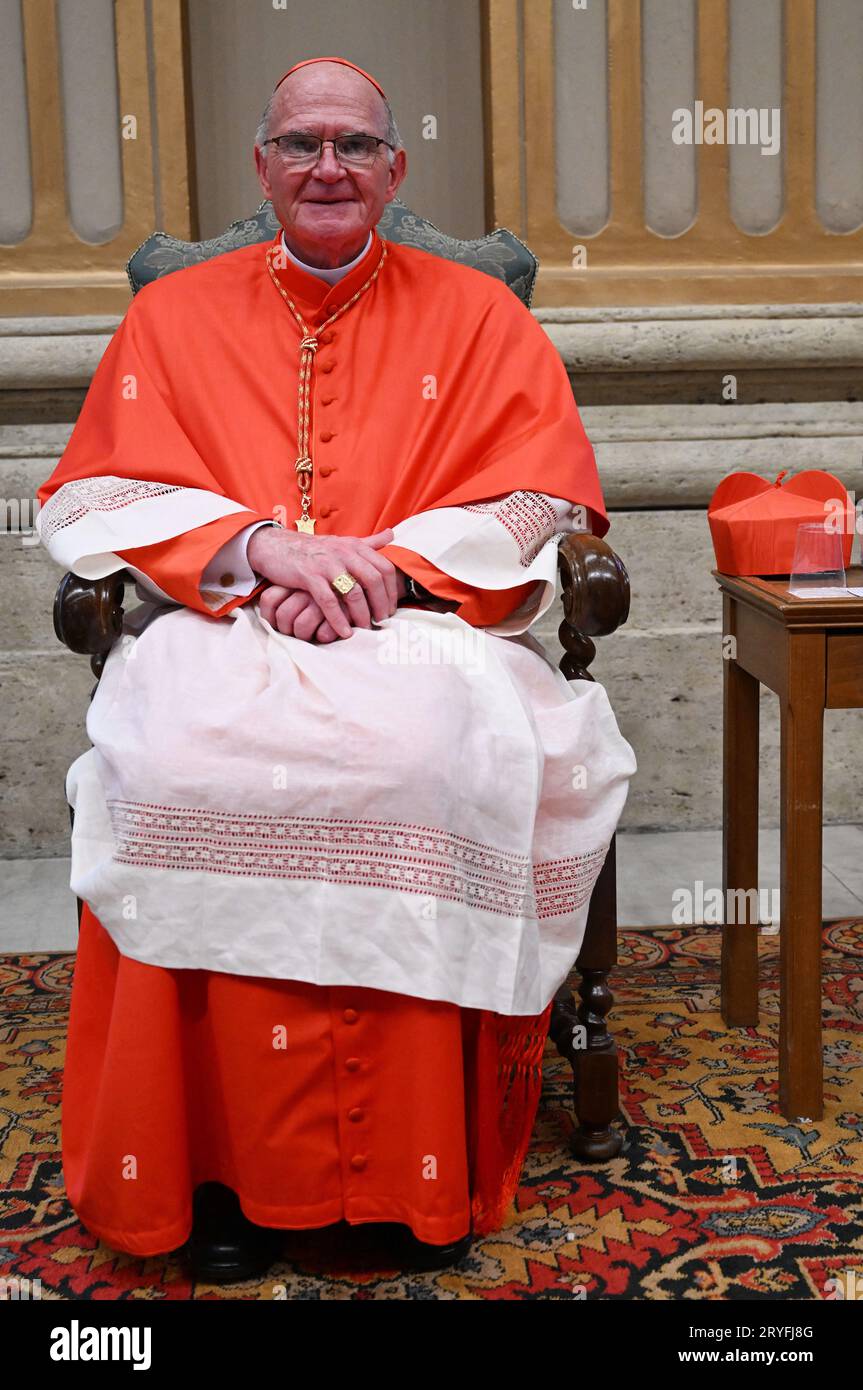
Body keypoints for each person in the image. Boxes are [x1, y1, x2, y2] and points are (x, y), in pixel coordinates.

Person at [38, 56, 636, 1282]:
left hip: (422, 626)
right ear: (262, 167)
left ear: (392, 167)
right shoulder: (172, 315)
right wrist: (259, 550)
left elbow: (540, 493)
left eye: (355, 147)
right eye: (302, 143)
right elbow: (96, 489)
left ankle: (402, 1181)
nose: (328, 167)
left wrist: (388, 570)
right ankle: (213, 1169)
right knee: (174, 763)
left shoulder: (481, 319)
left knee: (419, 758)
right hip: (222, 619)